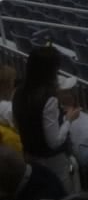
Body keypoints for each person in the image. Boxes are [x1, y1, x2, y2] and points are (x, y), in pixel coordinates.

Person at [11, 48, 77, 191]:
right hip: (53, 161)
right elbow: (54, 142)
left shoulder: (18, 91)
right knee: (62, 196)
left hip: (29, 156)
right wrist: (69, 120)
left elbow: (17, 124)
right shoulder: (49, 99)